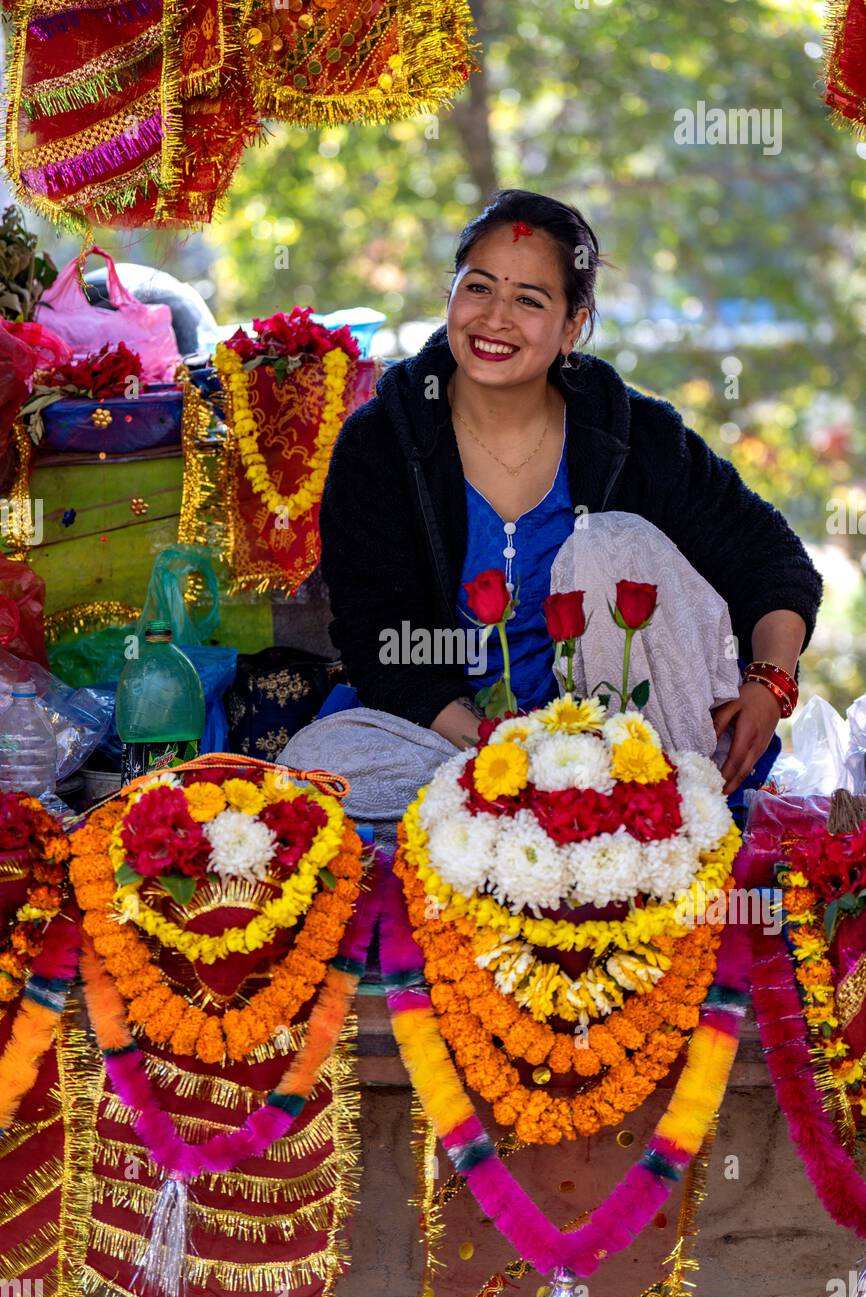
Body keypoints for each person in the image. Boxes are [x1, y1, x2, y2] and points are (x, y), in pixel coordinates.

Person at [279, 189, 822, 845]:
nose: (496, 318)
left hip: (633, 741)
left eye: (530, 300)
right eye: (478, 288)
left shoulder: (630, 432)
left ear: (573, 328)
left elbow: (772, 560)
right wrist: (504, 758)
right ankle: (552, 821)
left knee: (611, 543)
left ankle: (654, 813)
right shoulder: (384, 442)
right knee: (316, 768)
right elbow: (380, 643)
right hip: (464, 743)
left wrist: (769, 685)